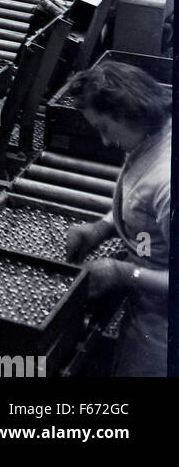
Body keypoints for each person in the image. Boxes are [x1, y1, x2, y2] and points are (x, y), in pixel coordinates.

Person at [62, 62, 170, 377]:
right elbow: (142, 206)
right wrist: (101, 228)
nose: (105, 142)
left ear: (128, 115)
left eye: (104, 129)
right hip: (148, 305)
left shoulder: (168, 181)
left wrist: (125, 274)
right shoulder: (152, 135)